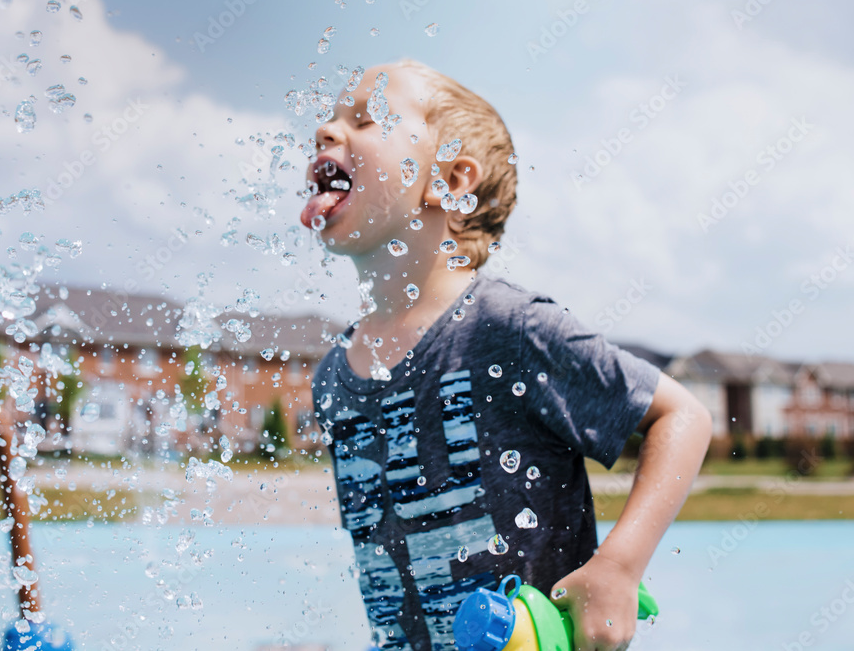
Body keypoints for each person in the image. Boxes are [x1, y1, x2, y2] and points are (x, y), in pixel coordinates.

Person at [304, 60, 712, 651]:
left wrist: (619, 566)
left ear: (450, 180)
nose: (326, 131)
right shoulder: (334, 376)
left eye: (365, 120)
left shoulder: (510, 330)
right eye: (329, 119)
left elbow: (684, 417)